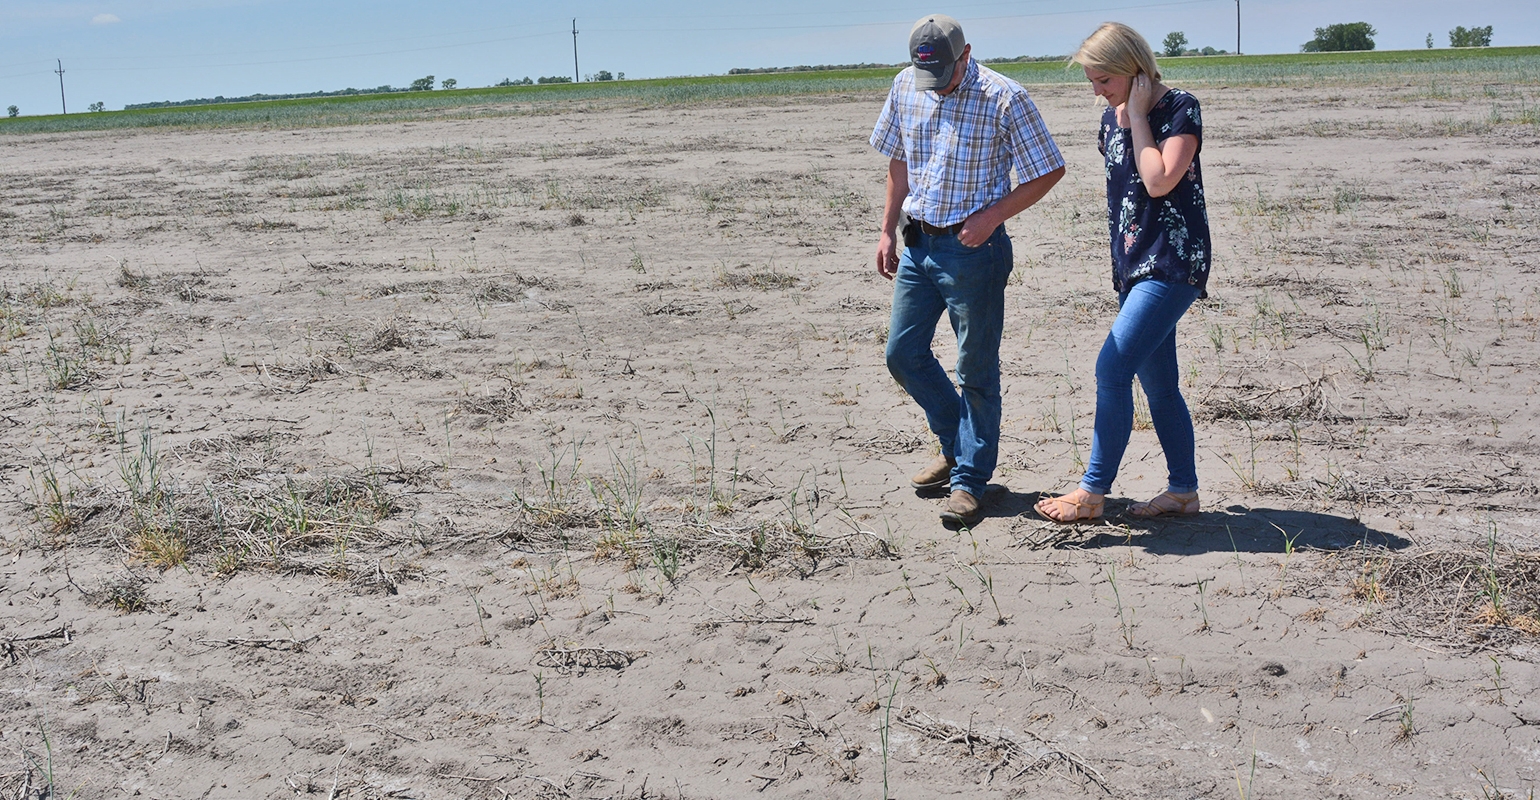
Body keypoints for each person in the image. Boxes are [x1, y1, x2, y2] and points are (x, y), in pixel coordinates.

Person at [871, 13, 1065, 527]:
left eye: (947, 75)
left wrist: (992, 215)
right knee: (902, 354)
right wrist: (888, 228)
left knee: (974, 369)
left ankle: (970, 482)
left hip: (972, 249)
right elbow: (898, 161)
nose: (937, 87)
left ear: (967, 53)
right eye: (926, 75)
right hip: (918, 242)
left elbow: (1049, 167)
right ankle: (958, 445)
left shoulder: (1005, 97)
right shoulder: (905, 85)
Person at [1036, 22, 1212, 523]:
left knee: (1111, 368)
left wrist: (1136, 115)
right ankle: (1183, 492)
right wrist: (1123, 111)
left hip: (1174, 261)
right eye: (1092, 81)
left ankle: (1092, 492)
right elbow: (1126, 200)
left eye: (1104, 80)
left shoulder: (1180, 107)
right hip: (1134, 264)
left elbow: (1158, 181)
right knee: (1159, 385)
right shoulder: (1110, 119)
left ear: (1134, 69)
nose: (1096, 91)